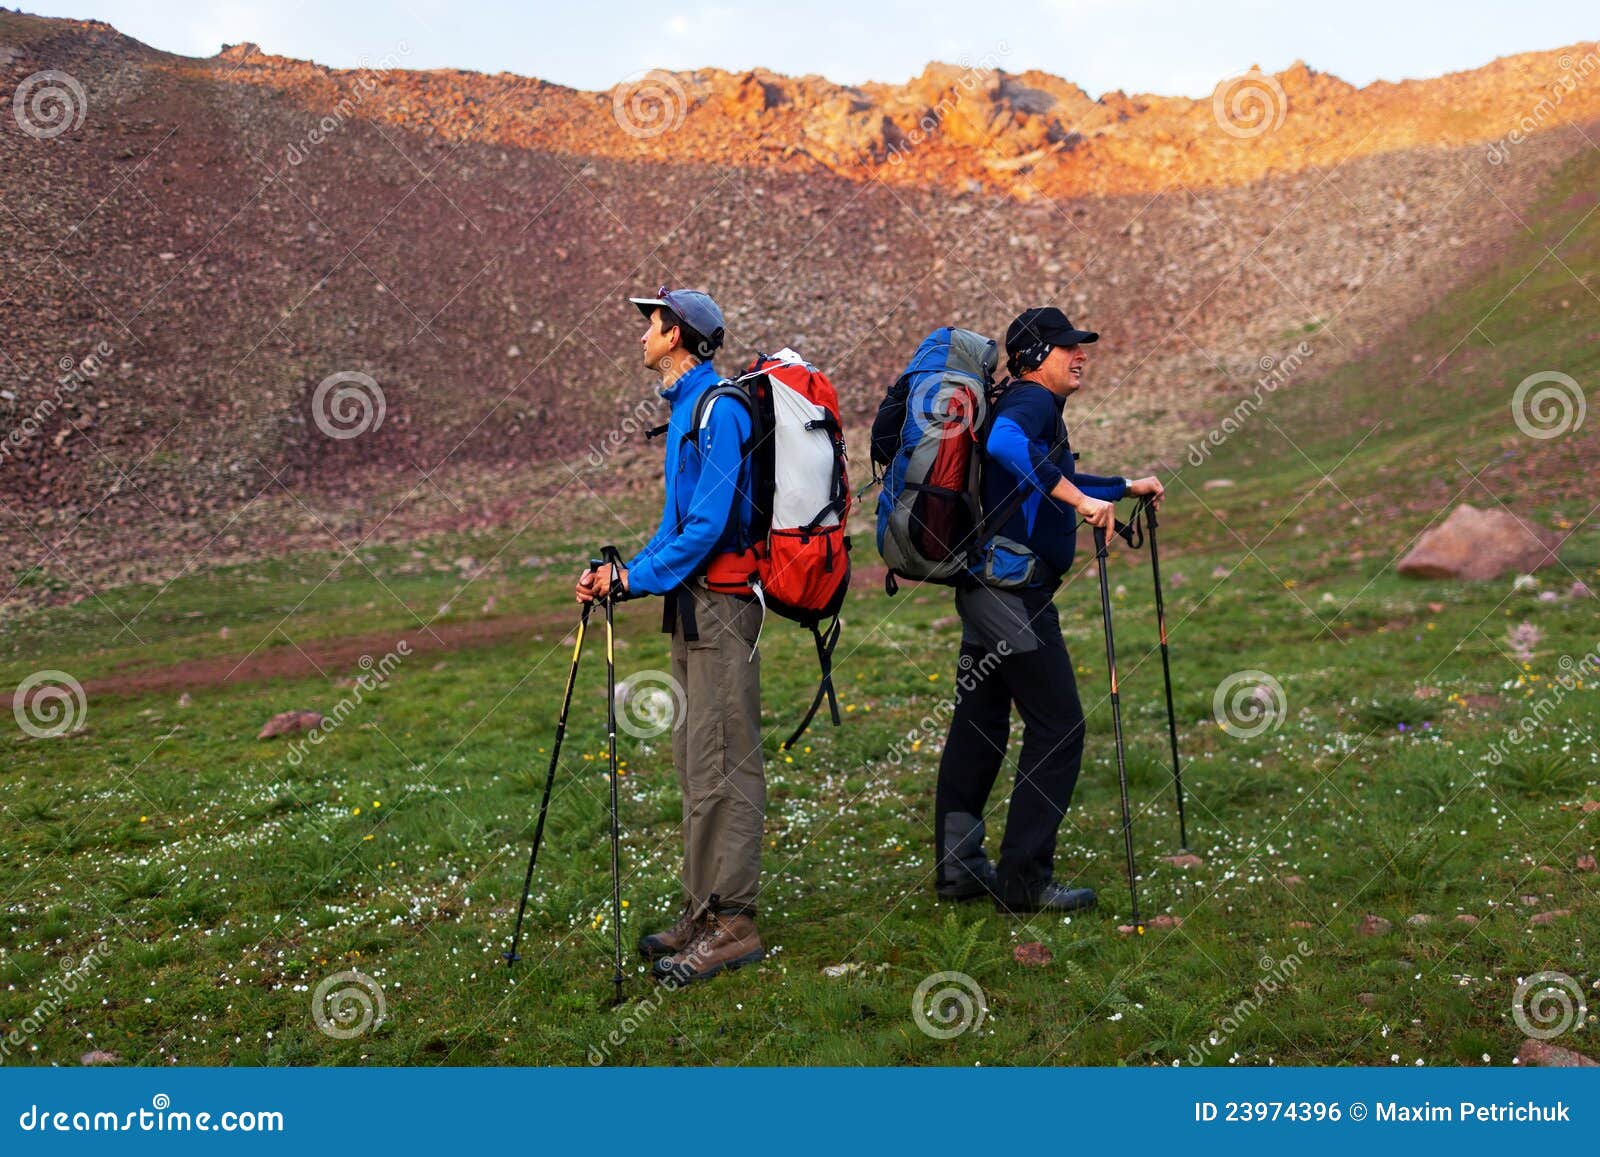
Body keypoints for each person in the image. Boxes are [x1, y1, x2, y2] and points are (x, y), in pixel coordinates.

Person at [933, 306, 1165, 914]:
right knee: (1060, 725)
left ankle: (959, 868)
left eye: (1080, 345)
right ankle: (1024, 878)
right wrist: (1081, 500)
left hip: (989, 592)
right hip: (1014, 597)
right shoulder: (1031, 404)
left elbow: (1051, 473)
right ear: (1036, 356)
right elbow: (1010, 445)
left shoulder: (1033, 406)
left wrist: (1119, 487)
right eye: (1067, 347)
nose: (1080, 354)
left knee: (979, 724)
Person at [576, 287, 768, 984]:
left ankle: (734, 921)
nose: (642, 337)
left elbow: (709, 525)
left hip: (722, 608)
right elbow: (674, 526)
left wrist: (635, 580)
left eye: (651, 327)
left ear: (679, 337)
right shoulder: (687, 407)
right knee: (696, 760)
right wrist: (621, 573)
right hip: (691, 607)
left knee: (727, 761)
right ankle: (700, 907)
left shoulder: (719, 410)